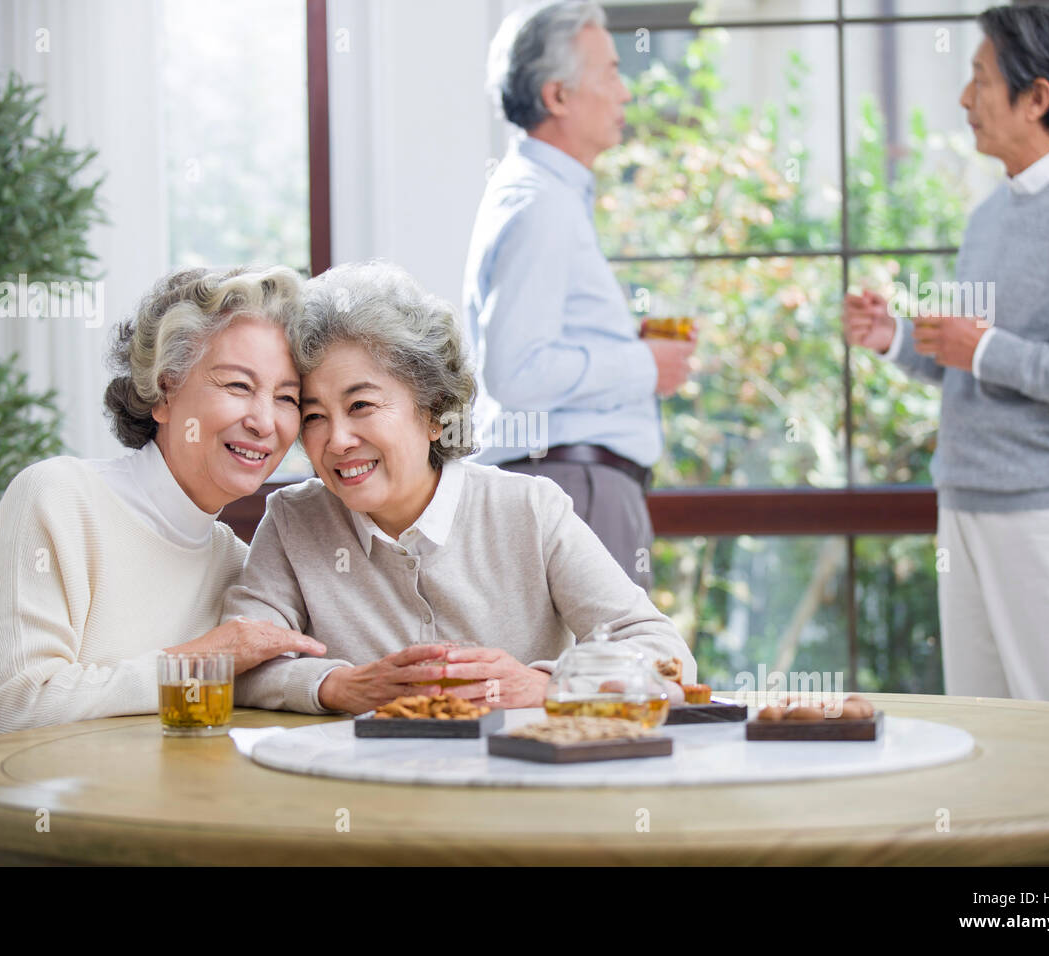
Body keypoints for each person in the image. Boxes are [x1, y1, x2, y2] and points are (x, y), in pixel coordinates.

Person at [0, 266, 325, 865]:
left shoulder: (235, 563)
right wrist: (207, 659)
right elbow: (14, 713)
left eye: (286, 398)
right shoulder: (58, 497)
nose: (265, 420)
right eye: (236, 385)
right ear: (164, 391)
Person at [223, 261, 695, 716]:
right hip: (360, 790)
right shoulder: (294, 518)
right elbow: (237, 664)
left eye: (361, 405)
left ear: (434, 415)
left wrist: (546, 686)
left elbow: (663, 654)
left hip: (514, 782)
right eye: (313, 416)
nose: (338, 440)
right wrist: (341, 686)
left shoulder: (529, 509)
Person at [843, 5, 1049, 706]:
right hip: (966, 507)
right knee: (992, 732)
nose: (963, 99)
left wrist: (987, 350)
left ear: (1037, 97)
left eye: (979, 80)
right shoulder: (991, 214)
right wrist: (895, 339)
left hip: (1048, 520)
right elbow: (970, 361)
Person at [462, 0, 695, 589]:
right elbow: (514, 371)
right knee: (603, 682)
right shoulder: (542, 203)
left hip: (574, 482)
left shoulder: (542, 194)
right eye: (611, 73)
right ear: (557, 97)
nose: (626, 93)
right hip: (578, 487)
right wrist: (643, 365)